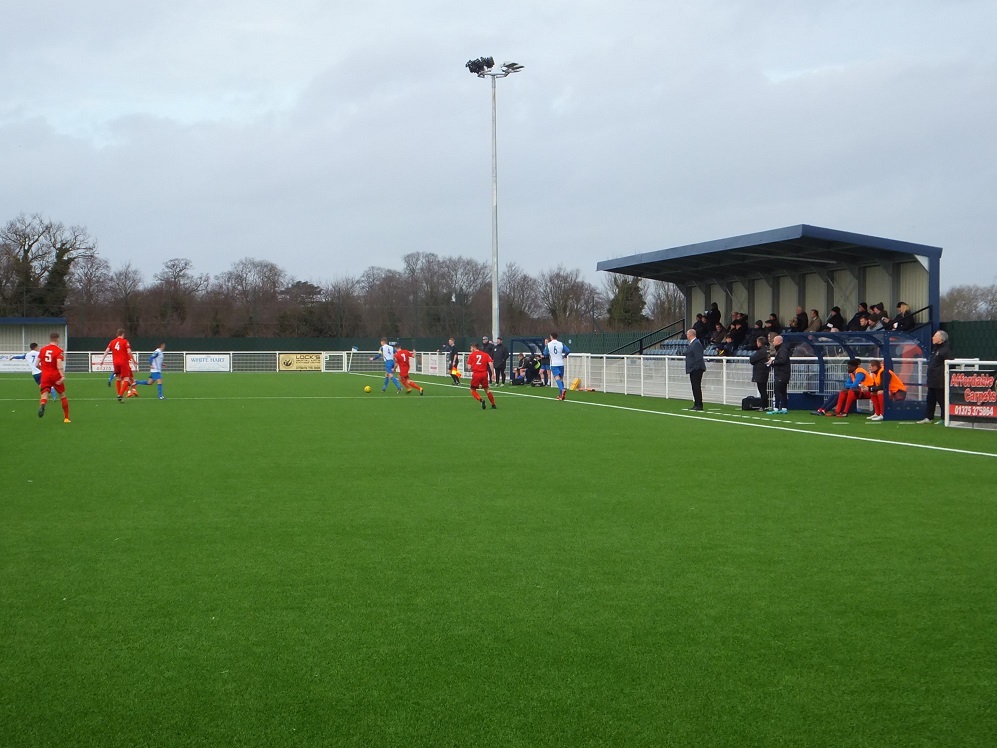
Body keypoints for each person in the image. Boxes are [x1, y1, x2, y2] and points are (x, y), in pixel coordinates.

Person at [918, 330, 954, 423]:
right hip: (932, 380)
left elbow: (951, 364)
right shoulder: (936, 350)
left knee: (941, 400)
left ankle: (944, 418)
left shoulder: (945, 350)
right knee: (930, 399)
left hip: (940, 381)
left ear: (941, 339)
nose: (932, 338)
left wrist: (942, 374)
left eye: (935, 336)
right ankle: (928, 417)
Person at [36, 332, 70, 423]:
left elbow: (36, 364)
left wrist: (43, 369)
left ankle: (43, 404)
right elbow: (59, 365)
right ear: (58, 339)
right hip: (56, 376)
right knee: (62, 395)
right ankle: (66, 418)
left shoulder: (43, 349)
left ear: (50, 339)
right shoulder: (59, 350)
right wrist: (62, 376)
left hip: (45, 376)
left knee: (44, 394)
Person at [99, 328, 139, 402]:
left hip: (115, 363)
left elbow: (106, 351)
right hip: (123, 362)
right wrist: (134, 360)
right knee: (126, 379)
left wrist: (102, 360)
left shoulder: (112, 342)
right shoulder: (125, 341)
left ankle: (118, 394)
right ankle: (120, 395)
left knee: (118, 379)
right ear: (123, 334)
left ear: (117, 334)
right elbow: (129, 352)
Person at [467, 342, 496, 410]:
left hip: (476, 374)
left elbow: (469, 367)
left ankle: (481, 400)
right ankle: (493, 404)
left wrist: (471, 366)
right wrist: (493, 374)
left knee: (472, 390)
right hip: (484, 374)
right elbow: (491, 364)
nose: (470, 349)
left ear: (474, 348)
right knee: (487, 390)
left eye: (471, 348)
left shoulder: (471, 355)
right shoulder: (485, 354)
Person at [544, 332, 571, 401]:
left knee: (557, 378)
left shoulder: (549, 344)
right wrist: (564, 356)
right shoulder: (561, 343)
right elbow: (568, 350)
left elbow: (545, 353)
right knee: (561, 379)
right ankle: (560, 395)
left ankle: (562, 390)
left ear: (551, 337)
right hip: (561, 363)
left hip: (554, 364)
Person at [767, 335, 791, 414]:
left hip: (782, 373)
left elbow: (782, 360)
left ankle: (776, 408)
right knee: (783, 391)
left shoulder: (782, 350)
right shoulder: (781, 349)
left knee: (777, 390)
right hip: (783, 373)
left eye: (774, 341)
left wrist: (773, 362)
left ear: (778, 341)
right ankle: (784, 408)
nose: (773, 342)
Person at [684, 328, 706, 411]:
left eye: (687, 334)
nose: (686, 335)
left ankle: (699, 404)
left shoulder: (696, 343)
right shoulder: (692, 343)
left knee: (696, 387)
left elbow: (699, 357)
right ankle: (696, 403)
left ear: (690, 335)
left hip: (696, 369)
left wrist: (696, 368)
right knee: (694, 387)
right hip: (693, 368)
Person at [749, 335, 770, 410]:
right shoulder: (767, 350)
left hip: (760, 372)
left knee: (762, 389)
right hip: (765, 372)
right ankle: (765, 405)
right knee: (763, 389)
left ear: (760, 343)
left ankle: (763, 406)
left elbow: (752, 360)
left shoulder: (761, 352)